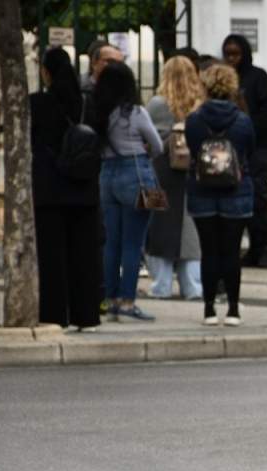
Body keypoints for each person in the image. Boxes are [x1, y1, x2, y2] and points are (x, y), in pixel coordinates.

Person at [30, 46, 102, 332]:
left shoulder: (36, 104)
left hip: (49, 189)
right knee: (85, 255)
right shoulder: (87, 103)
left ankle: (53, 314)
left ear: (46, 72)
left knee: (52, 257)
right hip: (84, 188)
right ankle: (86, 315)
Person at [185, 64, 256, 327]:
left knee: (209, 251)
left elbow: (193, 151)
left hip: (201, 191)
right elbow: (249, 150)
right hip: (236, 191)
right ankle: (234, 310)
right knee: (231, 252)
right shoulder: (242, 120)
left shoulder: (194, 120)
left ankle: (208, 309)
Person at [94, 61, 164, 322]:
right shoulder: (134, 112)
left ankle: (109, 299)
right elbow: (158, 146)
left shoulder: (99, 114)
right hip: (135, 175)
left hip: (106, 176)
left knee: (111, 243)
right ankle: (127, 302)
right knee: (133, 244)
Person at [145, 55, 204, 301]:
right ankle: (192, 286)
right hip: (193, 171)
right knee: (191, 229)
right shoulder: (200, 104)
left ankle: (161, 285)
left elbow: (147, 139)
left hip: (157, 171)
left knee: (154, 224)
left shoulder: (157, 104)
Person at [222, 33, 267, 269]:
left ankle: (262, 246)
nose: (231, 59)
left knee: (257, 195)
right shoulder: (225, 79)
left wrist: (248, 128)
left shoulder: (259, 78)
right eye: (228, 54)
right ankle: (250, 246)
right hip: (234, 147)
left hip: (259, 147)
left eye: (236, 54)